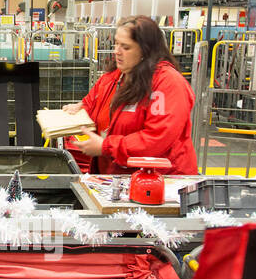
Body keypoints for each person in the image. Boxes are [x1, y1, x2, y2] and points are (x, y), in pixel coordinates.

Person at [61, 15, 197, 175]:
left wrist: (106, 146)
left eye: (126, 47)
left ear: (146, 50)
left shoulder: (168, 84)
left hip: (160, 181)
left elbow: (156, 138)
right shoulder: (116, 76)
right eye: (116, 43)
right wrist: (81, 108)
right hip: (118, 176)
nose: (116, 51)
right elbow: (95, 101)